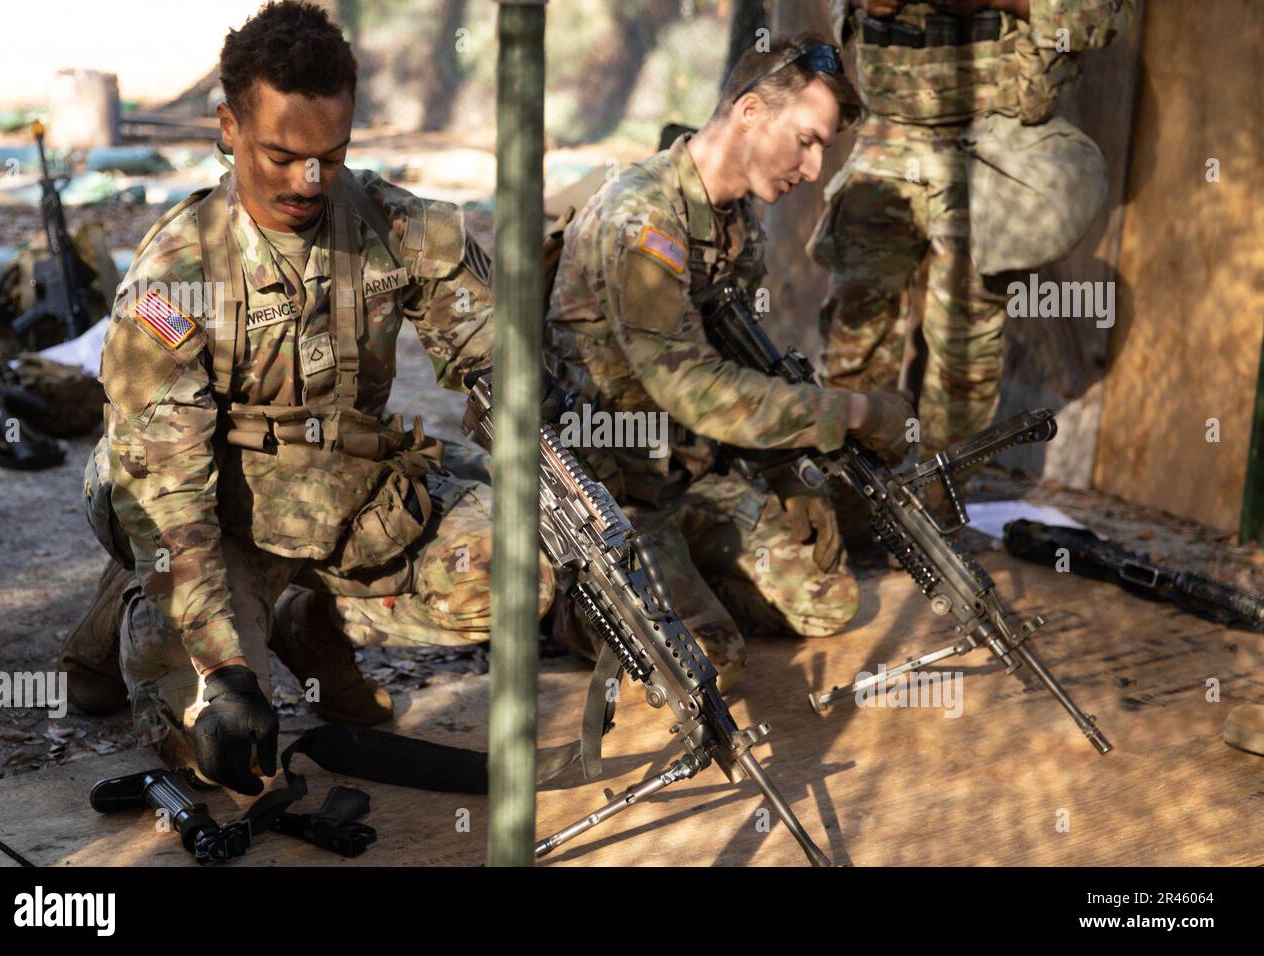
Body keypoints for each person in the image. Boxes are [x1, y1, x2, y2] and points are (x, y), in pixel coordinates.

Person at [69, 0, 554, 795]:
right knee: (229, 755)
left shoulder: (395, 225)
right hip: (206, 511)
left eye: (333, 154)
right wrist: (224, 667)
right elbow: (169, 488)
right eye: (284, 154)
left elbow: (488, 353)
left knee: (521, 574)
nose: (310, 180)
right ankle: (129, 610)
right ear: (226, 126)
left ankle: (309, 627)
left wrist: (520, 405)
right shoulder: (174, 280)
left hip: (343, 495)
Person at [544, 33, 913, 692]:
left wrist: (786, 473)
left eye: (823, 148)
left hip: (681, 474)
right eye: (807, 140)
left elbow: (742, 363)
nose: (814, 168)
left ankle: (678, 576)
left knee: (829, 600)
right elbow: (695, 389)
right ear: (748, 112)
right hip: (609, 491)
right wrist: (851, 412)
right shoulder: (645, 218)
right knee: (706, 662)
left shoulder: (736, 227)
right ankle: (567, 603)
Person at [813, 0, 1134, 455]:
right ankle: (847, 500)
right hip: (887, 143)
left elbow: (1105, 17)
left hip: (992, 147)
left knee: (965, 362)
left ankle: (935, 511)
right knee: (853, 345)